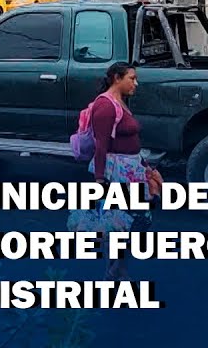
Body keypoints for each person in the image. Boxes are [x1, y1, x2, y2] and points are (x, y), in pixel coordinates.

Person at [67, 63, 161, 280]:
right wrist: (100, 180)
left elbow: (128, 140)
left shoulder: (120, 102)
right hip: (116, 172)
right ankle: (116, 272)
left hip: (131, 169)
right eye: (132, 78)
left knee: (132, 220)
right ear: (117, 78)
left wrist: (144, 165)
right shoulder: (105, 106)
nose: (136, 83)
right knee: (121, 221)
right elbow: (101, 146)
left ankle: (117, 270)